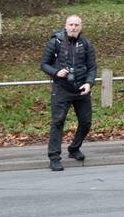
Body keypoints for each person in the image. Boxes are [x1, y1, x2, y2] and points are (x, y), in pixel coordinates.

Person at [41, 14, 97, 171]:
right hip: (62, 89)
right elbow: (44, 64)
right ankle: (54, 157)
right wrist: (56, 72)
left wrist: (89, 83)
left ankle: (74, 149)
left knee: (86, 122)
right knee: (58, 122)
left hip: (81, 89)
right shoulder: (55, 42)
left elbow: (92, 67)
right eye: (71, 24)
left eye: (76, 25)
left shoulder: (86, 43)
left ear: (81, 27)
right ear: (65, 26)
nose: (73, 27)